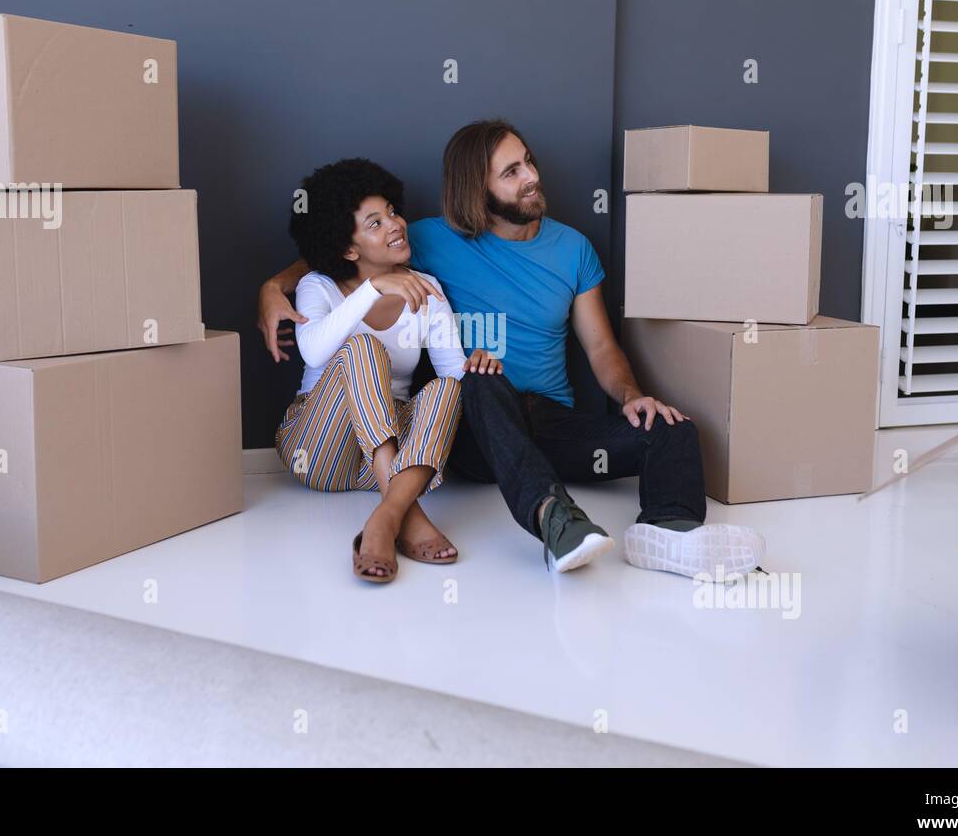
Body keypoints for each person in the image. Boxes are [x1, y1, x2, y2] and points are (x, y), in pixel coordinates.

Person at [261, 124, 764, 578]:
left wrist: (632, 395)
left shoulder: (573, 250)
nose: (532, 177)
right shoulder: (430, 240)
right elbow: (339, 251)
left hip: (550, 422)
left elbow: (602, 348)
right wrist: (273, 287)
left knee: (673, 429)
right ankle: (554, 519)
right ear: (478, 190)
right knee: (474, 379)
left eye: (529, 162)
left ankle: (671, 535)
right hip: (479, 424)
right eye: (512, 171)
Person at [276, 157, 501, 584]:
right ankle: (409, 517)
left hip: (389, 459)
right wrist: (373, 288)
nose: (395, 225)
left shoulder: (426, 289)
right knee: (363, 347)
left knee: (447, 389)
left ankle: (386, 514)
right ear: (348, 248)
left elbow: (454, 377)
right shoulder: (317, 286)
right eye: (374, 223)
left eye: (392, 213)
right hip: (319, 447)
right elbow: (313, 349)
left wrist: (479, 365)